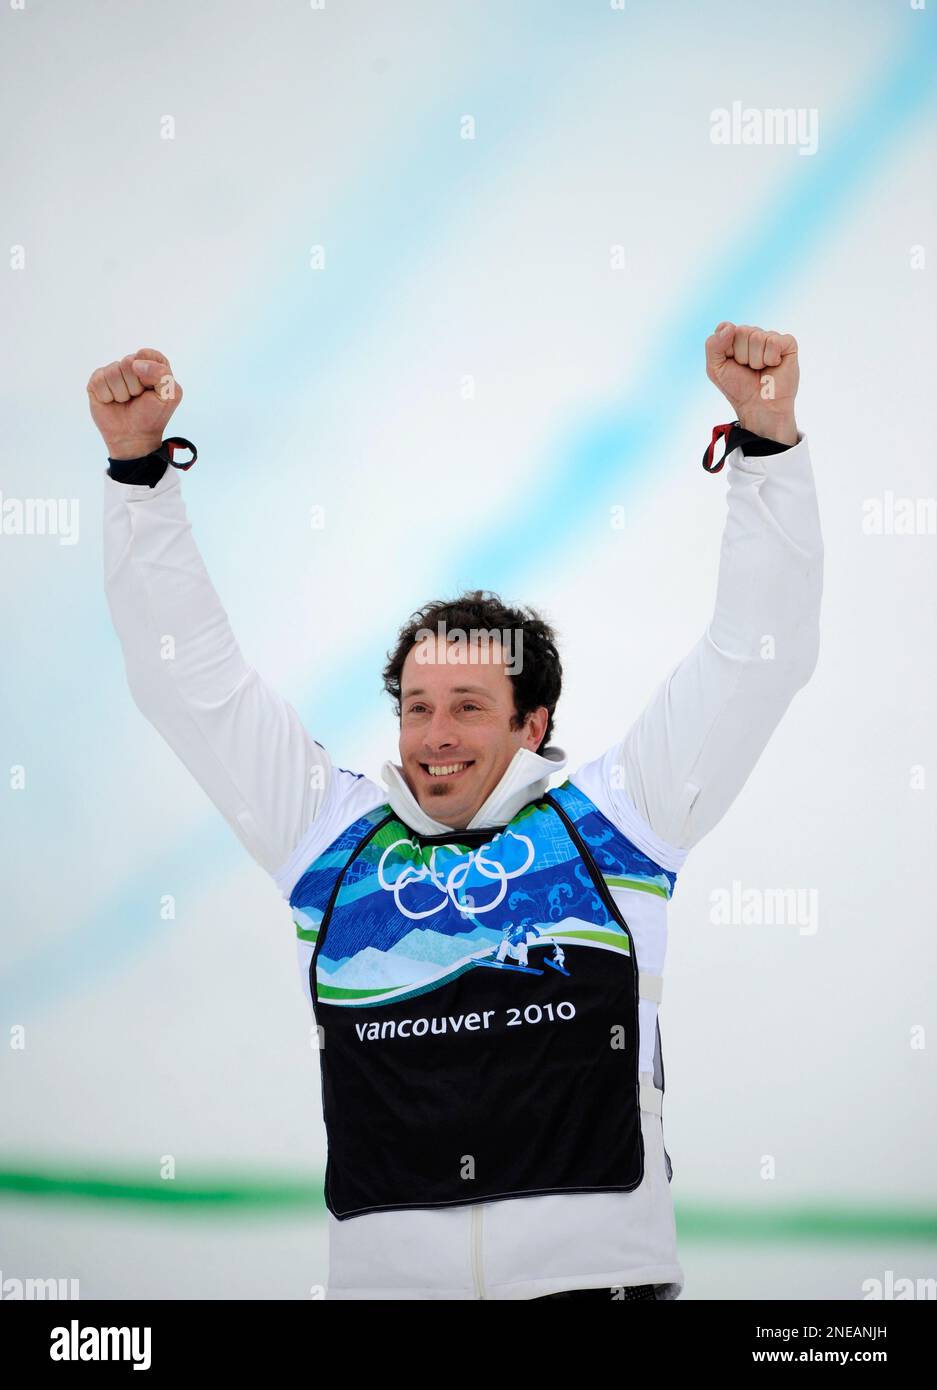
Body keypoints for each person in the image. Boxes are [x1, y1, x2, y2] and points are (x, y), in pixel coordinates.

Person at [88, 324, 823, 1300]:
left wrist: (766, 445)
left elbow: (755, 655)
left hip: (601, 1288)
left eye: (468, 707)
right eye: (417, 706)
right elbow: (192, 684)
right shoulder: (329, 841)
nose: (434, 733)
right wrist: (139, 476)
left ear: (532, 721)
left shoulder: (618, 823)